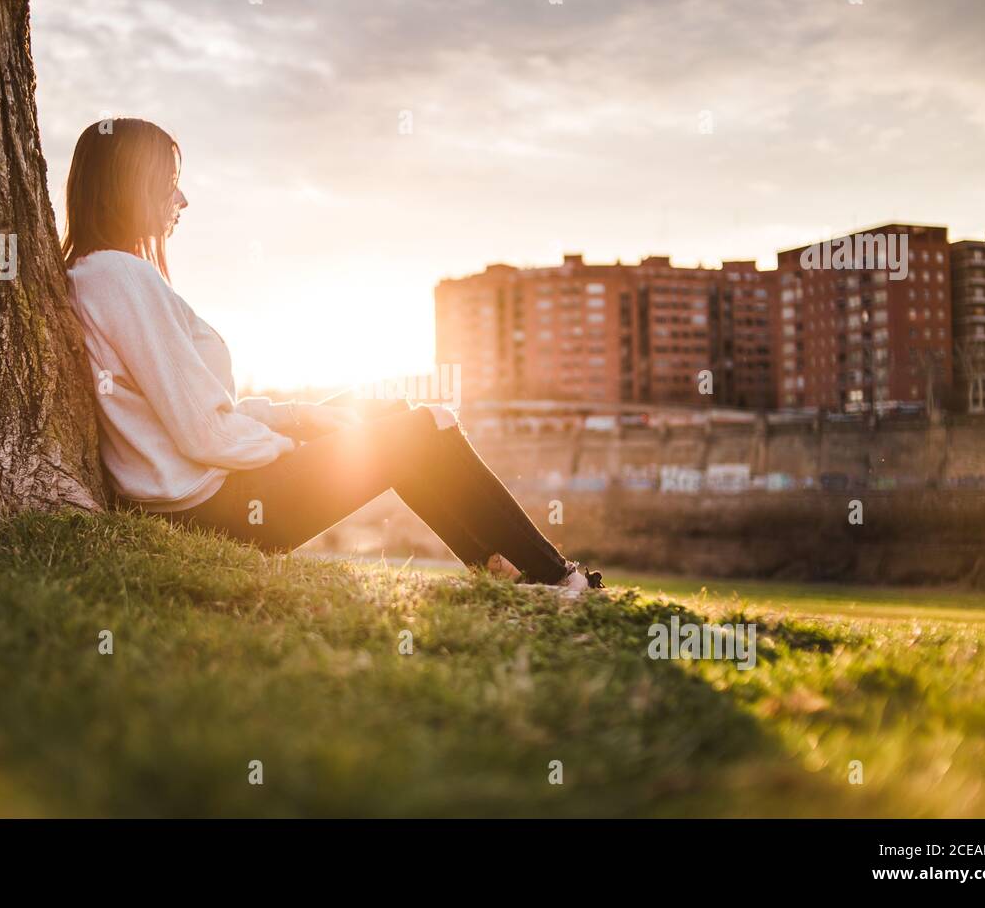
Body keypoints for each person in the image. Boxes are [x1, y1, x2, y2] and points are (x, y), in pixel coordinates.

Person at [62, 118, 603, 595]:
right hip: (213, 509)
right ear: (130, 186)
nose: (181, 200)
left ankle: (503, 569)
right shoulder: (121, 276)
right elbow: (205, 433)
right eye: (168, 184)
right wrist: (299, 444)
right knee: (426, 428)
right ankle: (557, 579)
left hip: (200, 498)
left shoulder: (98, 275)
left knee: (386, 409)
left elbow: (190, 410)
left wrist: (295, 415)